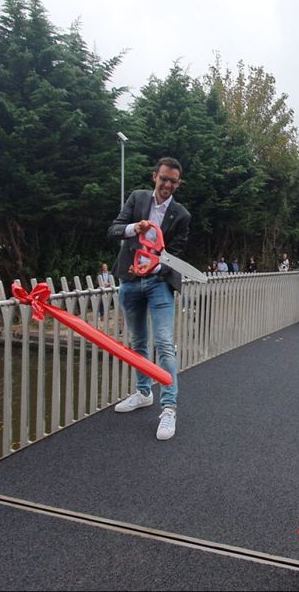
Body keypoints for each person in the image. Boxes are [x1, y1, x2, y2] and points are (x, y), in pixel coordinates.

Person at [109, 157, 191, 441]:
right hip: (130, 282)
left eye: (173, 181)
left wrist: (153, 267)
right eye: (164, 179)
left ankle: (168, 407)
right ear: (155, 177)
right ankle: (143, 393)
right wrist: (136, 228)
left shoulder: (181, 215)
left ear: (178, 184)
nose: (167, 185)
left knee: (166, 344)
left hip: (159, 284)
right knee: (137, 343)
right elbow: (115, 229)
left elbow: (176, 257)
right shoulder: (137, 199)